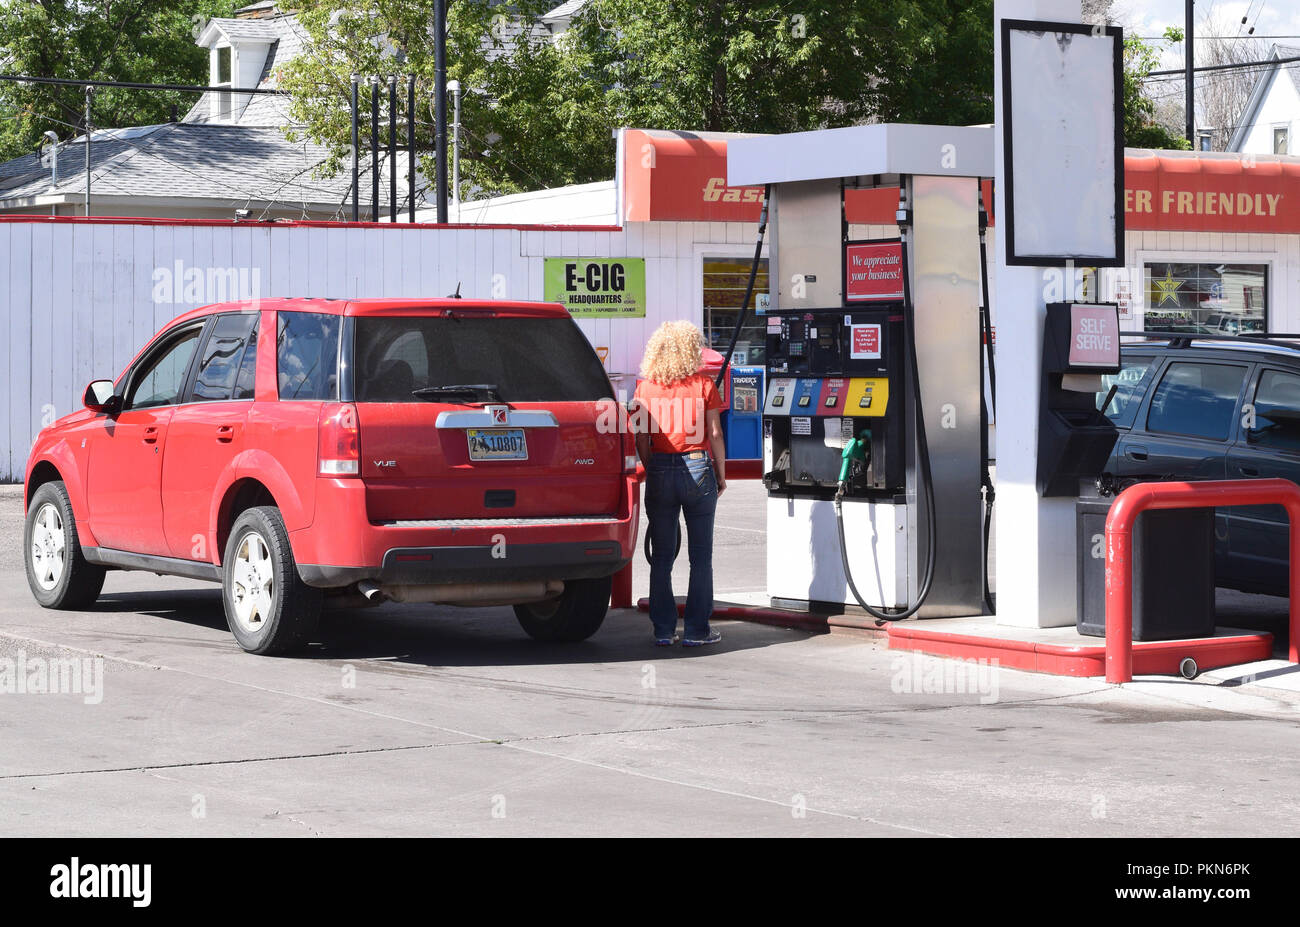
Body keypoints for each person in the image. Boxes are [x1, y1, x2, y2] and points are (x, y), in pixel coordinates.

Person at [632, 322, 727, 647]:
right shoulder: (704, 385)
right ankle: (698, 630)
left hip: (660, 468)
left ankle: (663, 630)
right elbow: (714, 434)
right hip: (698, 467)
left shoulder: (644, 390)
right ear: (692, 350)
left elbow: (640, 437)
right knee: (701, 556)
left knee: (661, 556)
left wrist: (652, 464)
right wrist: (721, 473)